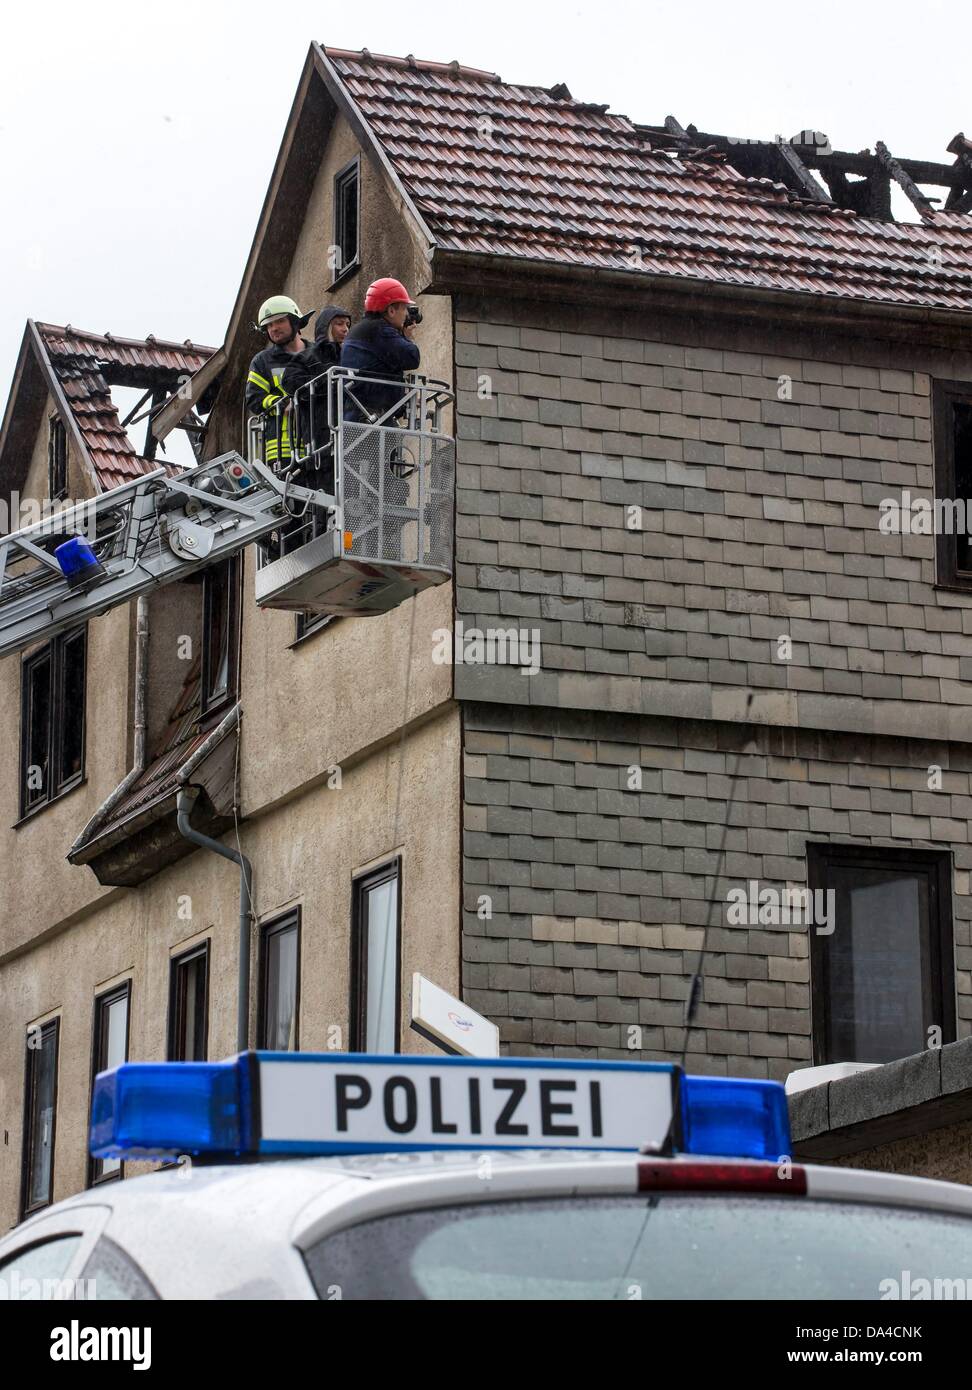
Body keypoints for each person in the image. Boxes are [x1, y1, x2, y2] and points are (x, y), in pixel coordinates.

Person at [245, 295, 313, 468]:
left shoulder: (318, 355)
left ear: (295, 321)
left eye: (279, 321)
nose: (274, 328)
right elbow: (254, 398)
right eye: (269, 325)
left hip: (319, 445)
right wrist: (283, 404)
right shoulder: (262, 361)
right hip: (282, 451)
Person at [339, 278, 420, 423]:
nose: (406, 315)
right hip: (372, 418)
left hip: (361, 415)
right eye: (404, 308)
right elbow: (412, 358)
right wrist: (407, 337)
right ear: (391, 310)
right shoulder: (381, 331)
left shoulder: (363, 329)